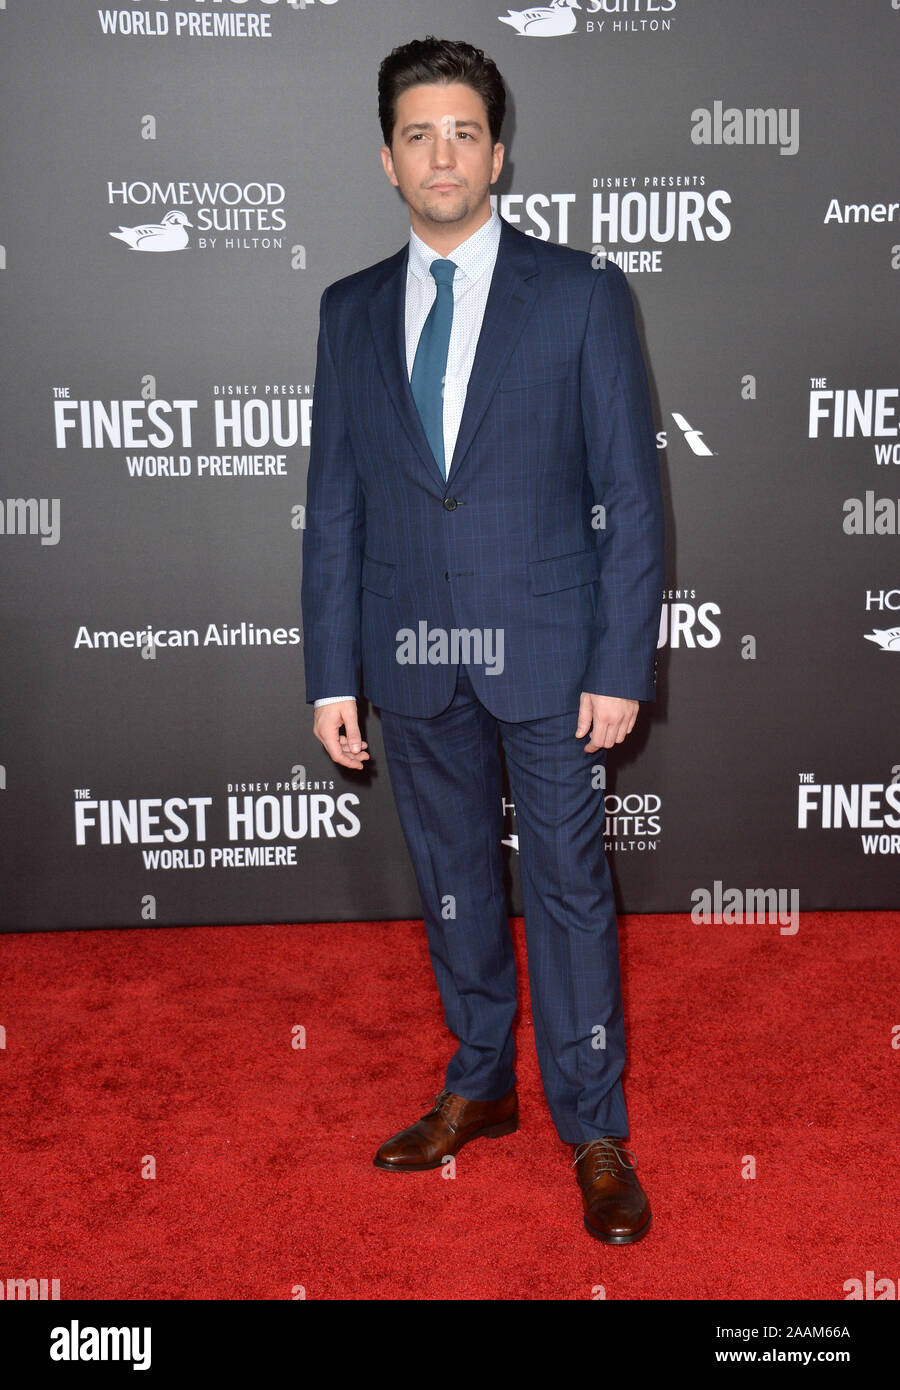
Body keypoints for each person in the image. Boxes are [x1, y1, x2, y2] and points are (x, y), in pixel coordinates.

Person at [301, 36, 665, 1243]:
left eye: (464, 131)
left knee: (567, 890)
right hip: (410, 660)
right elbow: (338, 504)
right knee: (454, 885)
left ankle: (594, 1123)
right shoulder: (348, 310)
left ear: (498, 153)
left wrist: (620, 663)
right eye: (418, 133)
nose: (442, 153)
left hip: (553, 656)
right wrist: (331, 674)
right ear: (389, 161)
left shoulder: (580, 293)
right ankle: (479, 1081)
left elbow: (631, 492)